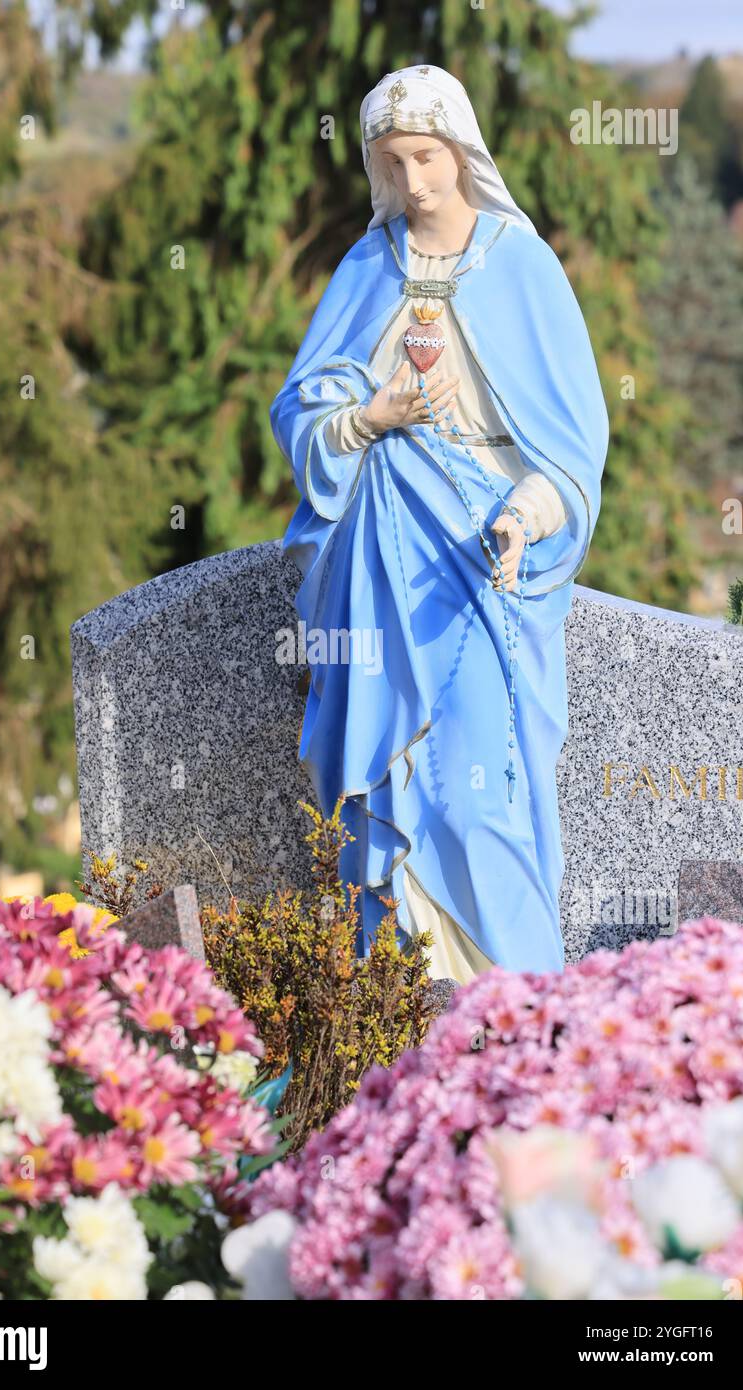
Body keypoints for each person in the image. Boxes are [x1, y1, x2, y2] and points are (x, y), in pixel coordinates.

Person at [272, 65, 609, 984]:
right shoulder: (366, 267)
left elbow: (572, 450)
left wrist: (526, 513)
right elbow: (301, 408)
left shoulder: (522, 266)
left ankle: (518, 1012)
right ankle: (398, 1018)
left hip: (479, 565)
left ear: (461, 150)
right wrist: (367, 419)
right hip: (376, 566)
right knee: (381, 789)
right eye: (390, 160)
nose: (411, 179)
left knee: (474, 799)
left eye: (425, 155)